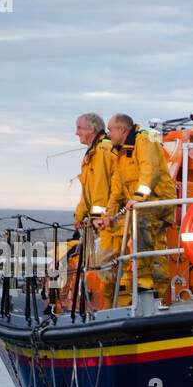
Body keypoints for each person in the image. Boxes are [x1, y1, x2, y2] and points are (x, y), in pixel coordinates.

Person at [98, 114, 178, 299]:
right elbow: (117, 188)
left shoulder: (145, 140)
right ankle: (135, 282)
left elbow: (150, 171)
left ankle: (152, 285)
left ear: (122, 129)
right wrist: (108, 215)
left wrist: (139, 198)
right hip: (141, 204)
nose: (108, 134)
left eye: (110, 129)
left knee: (147, 233)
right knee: (136, 230)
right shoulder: (121, 152)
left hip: (159, 199)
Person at [72, 113, 119, 283]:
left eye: (79, 128)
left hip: (109, 221)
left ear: (91, 129)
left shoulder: (103, 150)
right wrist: (79, 215)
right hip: (103, 220)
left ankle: (112, 305)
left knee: (104, 264)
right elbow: (88, 190)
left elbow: (101, 187)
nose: (76, 133)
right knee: (97, 264)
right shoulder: (93, 153)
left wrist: (97, 217)